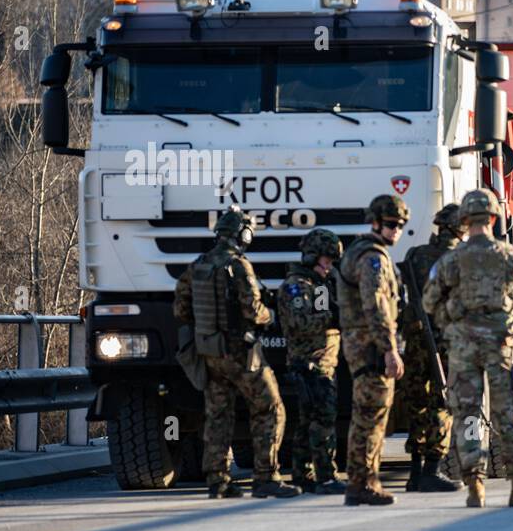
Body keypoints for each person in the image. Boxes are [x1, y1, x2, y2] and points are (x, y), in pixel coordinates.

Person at [422, 188, 513, 509]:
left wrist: (452, 324)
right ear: (492, 218)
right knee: (509, 412)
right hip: (502, 345)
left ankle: (475, 485)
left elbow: (430, 300)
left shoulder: (450, 260)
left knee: (468, 414)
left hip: (463, 347)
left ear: (464, 220)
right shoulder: (510, 257)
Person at [173, 206, 299, 499]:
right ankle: (266, 476)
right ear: (243, 234)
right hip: (241, 353)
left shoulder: (198, 265)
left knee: (218, 415)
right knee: (270, 407)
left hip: (210, 352)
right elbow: (253, 311)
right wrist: (271, 315)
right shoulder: (239, 266)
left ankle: (217, 481)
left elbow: (180, 309)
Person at [335, 194, 407, 506]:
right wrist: (390, 349)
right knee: (370, 416)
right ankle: (361, 482)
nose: (396, 231)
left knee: (371, 415)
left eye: (400, 225)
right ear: (375, 222)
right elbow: (376, 306)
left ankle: (365, 480)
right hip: (370, 346)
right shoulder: (371, 258)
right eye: (391, 224)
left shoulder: (368, 253)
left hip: (365, 344)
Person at [396, 203, 463, 493]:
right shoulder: (458, 260)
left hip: (415, 339)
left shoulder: (415, 255)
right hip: (445, 342)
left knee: (416, 404)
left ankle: (414, 471)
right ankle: (431, 471)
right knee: (442, 405)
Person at [278, 228, 345, 495]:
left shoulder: (319, 286)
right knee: (321, 421)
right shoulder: (296, 286)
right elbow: (301, 322)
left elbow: (322, 313)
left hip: (324, 364)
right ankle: (325, 476)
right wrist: (335, 318)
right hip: (309, 364)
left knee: (310, 422)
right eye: (326, 262)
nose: (329, 268)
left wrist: (332, 313)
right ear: (312, 257)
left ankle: (303, 474)